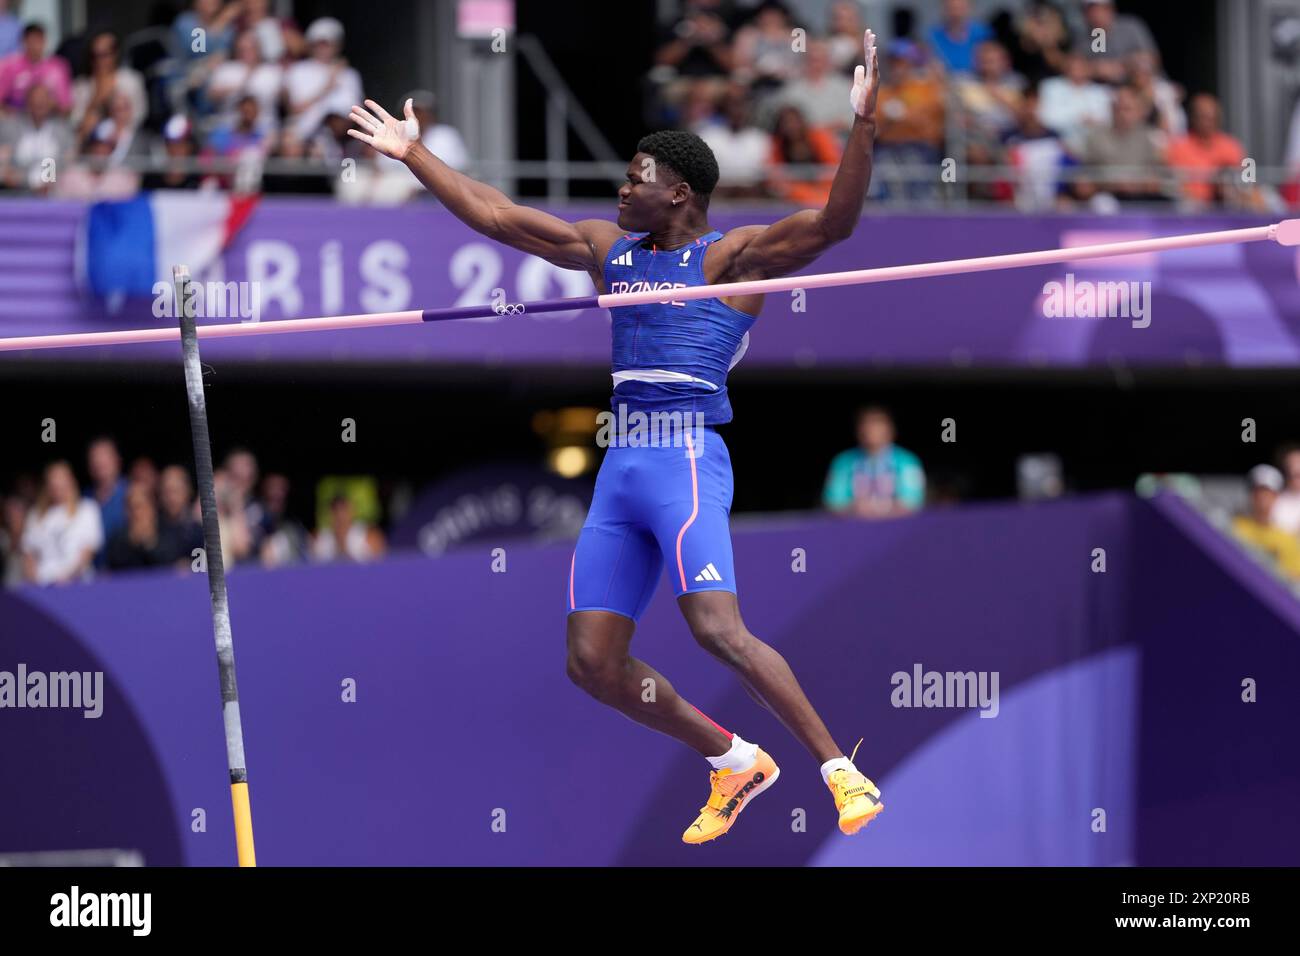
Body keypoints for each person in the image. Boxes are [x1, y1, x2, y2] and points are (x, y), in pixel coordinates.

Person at [349, 27, 887, 845]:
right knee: (592, 663)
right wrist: (413, 157)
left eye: (638, 179)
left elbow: (835, 226)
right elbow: (499, 216)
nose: (621, 188)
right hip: (622, 471)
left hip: (686, 460)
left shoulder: (730, 260)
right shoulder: (611, 251)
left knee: (716, 629)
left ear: (679, 194)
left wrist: (864, 124)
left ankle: (837, 768)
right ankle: (733, 760)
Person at [823, 406, 926, 518]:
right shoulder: (843, 462)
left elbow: (913, 501)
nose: (871, 432)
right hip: (854, 527)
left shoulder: (908, 461)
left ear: (890, 430)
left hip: (897, 527)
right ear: (858, 431)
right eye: (866, 427)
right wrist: (854, 508)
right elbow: (834, 502)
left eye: (877, 426)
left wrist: (884, 509)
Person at [20, 461, 103, 585]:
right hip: (44, 584)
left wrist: (66, 578)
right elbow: (28, 554)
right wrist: (35, 581)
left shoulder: (87, 509)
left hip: (77, 583)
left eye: (60, 479)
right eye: (53, 480)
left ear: (70, 481)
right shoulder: (36, 515)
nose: (56, 484)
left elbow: (88, 551)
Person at [1164, 93, 1248, 208]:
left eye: (1212, 117)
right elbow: (1175, 185)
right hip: (1192, 210)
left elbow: (1245, 183)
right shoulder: (1178, 147)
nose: (1208, 122)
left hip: (1229, 208)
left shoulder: (1231, 146)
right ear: (1193, 118)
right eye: (1203, 117)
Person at [1232, 465, 1300, 580]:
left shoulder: (1287, 539)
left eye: (1267, 492)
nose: (1262, 497)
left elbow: (1293, 580)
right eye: (1258, 491)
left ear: (1276, 496)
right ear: (1251, 494)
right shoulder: (1234, 527)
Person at [0, 22, 71, 114]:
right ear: (23, 42)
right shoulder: (10, 66)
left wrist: (47, 104)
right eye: (31, 41)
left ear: (44, 41)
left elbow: (66, 106)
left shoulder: (58, 67)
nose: (34, 46)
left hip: (51, 119)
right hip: (18, 120)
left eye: (38, 40)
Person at [926, 0, 993, 75]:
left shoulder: (984, 34)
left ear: (969, 8)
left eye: (961, 8)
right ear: (943, 9)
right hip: (945, 82)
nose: (956, 13)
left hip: (977, 82)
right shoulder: (931, 36)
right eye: (951, 8)